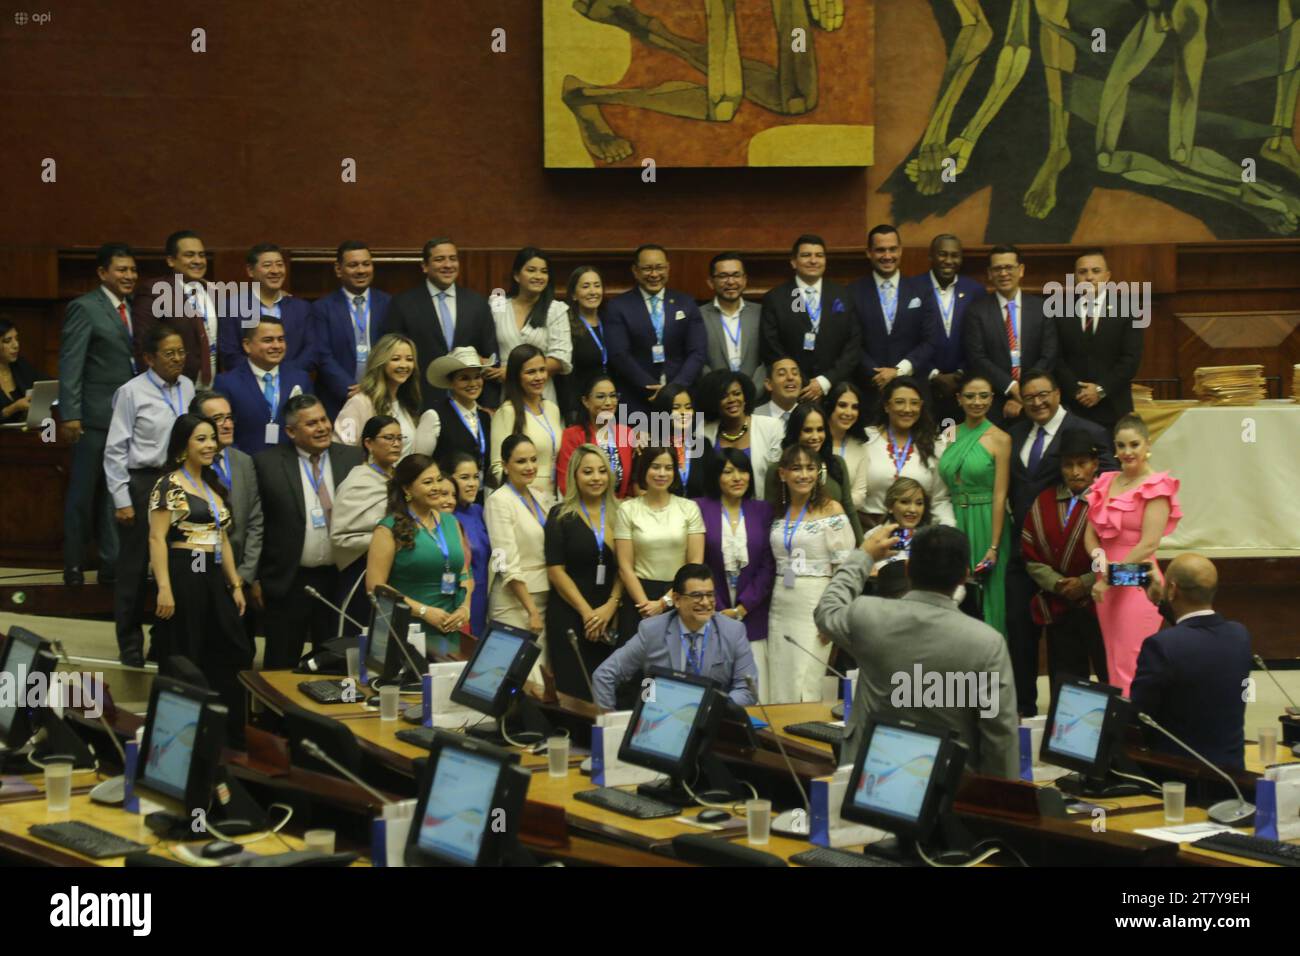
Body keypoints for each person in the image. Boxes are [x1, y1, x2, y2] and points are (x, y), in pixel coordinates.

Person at [814, 524, 1020, 779]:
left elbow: (826, 611)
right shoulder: (988, 643)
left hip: (870, 781)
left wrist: (864, 555)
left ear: (908, 569)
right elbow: (998, 733)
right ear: (964, 576)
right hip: (949, 790)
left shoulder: (867, 616)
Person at [1006, 367, 1116, 715]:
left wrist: (1086, 580)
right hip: (1029, 551)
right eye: (1029, 397)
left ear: (1058, 393)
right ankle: (1025, 711)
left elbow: (1111, 495)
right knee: (1022, 636)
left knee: (1097, 656)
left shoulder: (1089, 431)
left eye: (1044, 394)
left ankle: (1111, 725)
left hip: (1087, 571)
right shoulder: (1016, 432)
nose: (1037, 402)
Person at [147, 414, 249, 730]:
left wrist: (235, 583)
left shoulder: (213, 486)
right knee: (186, 648)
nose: (209, 445)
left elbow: (224, 539)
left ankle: (223, 728)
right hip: (186, 568)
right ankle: (178, 727)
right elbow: (156, 537)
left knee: (231, 648)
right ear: (183, 445)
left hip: (212, 572)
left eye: (211, 438)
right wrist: (164, 587)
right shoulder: (169, 484)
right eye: (200, 439)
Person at [104, 325, 196, 666]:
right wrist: (121, 499)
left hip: (181, 480)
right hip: (143, 482)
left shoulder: (188, 387)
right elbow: (115, 449)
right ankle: (129, 642)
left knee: (173, 563)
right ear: (149, 358)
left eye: (181, 352)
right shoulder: (131, 392)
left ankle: (164, 640)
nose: (178, 360)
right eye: (170, 354)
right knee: (133, 567)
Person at [253, 395, 364, 669]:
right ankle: (275, 713)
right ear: (291, 431)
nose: (322, 428)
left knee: (336, 663)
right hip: (288, 581)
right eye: (312, 423)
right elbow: (255, 525)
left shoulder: (352, 458)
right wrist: (254, 577)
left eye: (324, 419)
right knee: (281, 664)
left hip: (338, 579)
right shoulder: (266, 464)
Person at [59, 242, 138, 587]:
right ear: (102, 272)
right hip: (91, 419)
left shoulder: (132, 309)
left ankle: (110, 564)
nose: (129, 276)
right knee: (82, 495)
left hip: (124, 420)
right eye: (121, 270)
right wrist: (70, 414)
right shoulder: (84, 307)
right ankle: (74, 565)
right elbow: (71, 363)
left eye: (133, 270)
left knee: (114, 494)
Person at [1085, 414, 1182, 696]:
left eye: (1134, 445)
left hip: (1139, 579)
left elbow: (1148, 545)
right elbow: (1090, 536)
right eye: (1121, 445)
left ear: (1147, 445)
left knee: (1132, 661)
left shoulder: (1157, 486)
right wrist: (1101, 564)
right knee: (1113, 660)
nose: (1127, 452)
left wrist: (1109, 577)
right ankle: (1122, 730)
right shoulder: (1105, 481)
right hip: (1107, 580)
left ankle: (1136, 730)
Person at [1130, 554, 1251, 770]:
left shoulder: (1159, 646)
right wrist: (1162, 600)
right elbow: (1194, 636)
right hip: (1231, 772)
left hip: (1175, 775)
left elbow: (1139, 719)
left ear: (1173, 589)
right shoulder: (1240, 635)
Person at [592, 563, 757, 711]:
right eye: (697, 596)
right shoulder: (652, 631)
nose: (706, 603)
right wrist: (608, 723)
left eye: (710, 595)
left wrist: (712, 709)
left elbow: (747, 690)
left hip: (711, 724)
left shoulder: (733, 631)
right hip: (661, 720)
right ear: (677, 600)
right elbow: (604, 675)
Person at [766, 443, 858, 704]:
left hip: (816, 601)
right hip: (781, 600)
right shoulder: (777, 510)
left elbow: (846, 569)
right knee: (781, 675)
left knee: (807, 677)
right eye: (796, 468)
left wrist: (834, 615)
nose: (804, 475)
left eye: (810, 468)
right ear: (783, 474)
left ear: (819, 473)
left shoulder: (832, 509)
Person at [1020, 429, 1108, 696]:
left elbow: (1115, 551)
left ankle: (1116, 729)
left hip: (1099, 601)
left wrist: (1084, 583)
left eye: (1082, 464)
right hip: (1058, 602)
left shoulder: (1107, 501)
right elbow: (1030, 554)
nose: (1075, 471)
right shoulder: (1044, 501)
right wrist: (1058, 584)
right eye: (1068, 465)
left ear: (1095, 465)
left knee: (1108, 670)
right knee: (1066, 677)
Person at [367, 454, 472, 658]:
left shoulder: (450, 522)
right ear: (407, 489)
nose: (437, 487)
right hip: (406, 630)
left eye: (438, 480)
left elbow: (464, 574)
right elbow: (375, 587)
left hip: (448, 628)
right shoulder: (388, 529)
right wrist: (424, 611)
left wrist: (465, 608)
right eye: (427, 482)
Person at [545, 445, 624, 702]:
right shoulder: (559, 515)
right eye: (588, 472)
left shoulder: (621, 513)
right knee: (574, 695)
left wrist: (609, 608)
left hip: (610, 617)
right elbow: (556, 571)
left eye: (602, 471)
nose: (596, 478)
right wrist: (588, 614)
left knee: (608, 693)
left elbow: (626, 567)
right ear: (575, 476)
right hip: (570, 615)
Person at [384, 238, 499, 410]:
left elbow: (491, 358)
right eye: (440, 259)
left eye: (453, 259)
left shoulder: (477, 303)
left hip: (469, 405)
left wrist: (490, 405)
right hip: (417, 402)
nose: (448, 265)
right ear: (424, 266)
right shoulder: (402, 304)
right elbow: (391, 357)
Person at [938, 372, 1012, 636]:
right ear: (959, 399)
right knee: (953, 591)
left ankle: (991, 664)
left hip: (987, 518)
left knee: (989, 595)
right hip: (953, 517)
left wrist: (993, 545)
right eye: (970, 396)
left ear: (992, 399)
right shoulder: (948, 433)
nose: (977, 402)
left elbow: (1000, 495)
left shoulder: (1001, 438)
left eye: (983, 396)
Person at [697, 449, 775, 698]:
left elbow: (767, 564)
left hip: (752, 613)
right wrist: (718, 609)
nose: (737, 477)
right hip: (710, 610)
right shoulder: (699, 507)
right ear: (716, 477)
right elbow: (700, 562)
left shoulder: (762, 510)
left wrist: (742, 608)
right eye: (728, 472)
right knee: (713, 689)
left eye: (742, 471)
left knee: (753, 690)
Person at [190, 390, 264, 646]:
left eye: (230, 417)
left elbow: (255, 522)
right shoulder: (187, 469)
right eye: (218, 418)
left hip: (240, 579)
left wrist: (243, 575)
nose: (228, 424)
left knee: (241, 653)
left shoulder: (244, 462)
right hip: (201, 579)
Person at [614, 445, 705, 645]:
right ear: (644, 469)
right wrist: (646, 606)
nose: (662, 473)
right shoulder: (627, 509)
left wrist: (665, 602)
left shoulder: (689, 508)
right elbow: (625, 567)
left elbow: (695, 563)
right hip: (638, 597)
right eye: (655, 467)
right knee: (634, 669)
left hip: (679, 595)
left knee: (674, 669)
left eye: (668, 467)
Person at [484, 435, 554, 689]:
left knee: (544, 684)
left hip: (545, 597)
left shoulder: (539, 495)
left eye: (534, 460)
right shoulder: (498, 501)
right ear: (505, 465)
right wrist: (531, 611)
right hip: (515, 603)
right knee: (522, 682)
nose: (530, 467)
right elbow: (506, 561)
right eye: (521, 461)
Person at [604, 244, 707, 415]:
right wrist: (652, 389)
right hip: (636, 400)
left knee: (681, 442)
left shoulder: (686, 303)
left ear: (668, 268)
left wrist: (675, 390)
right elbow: (619, 355)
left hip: (682, 401)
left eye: (659, 268)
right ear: (635, 271)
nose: (654, 274)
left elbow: (698, 352)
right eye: (647, 268)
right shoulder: (618, 306)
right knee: (640, 442)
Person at [963, 244, 1058, 427]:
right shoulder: (976, 311)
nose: (1004, 273)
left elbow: (1049, 354)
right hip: (994, 401)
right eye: (998, 268)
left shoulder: (1042, 308)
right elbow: (977, 358)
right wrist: (1011, 388)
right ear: (990, 273)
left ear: (1021, 270)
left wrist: (1025, 392)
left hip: (1037, 401)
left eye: (1009, 267)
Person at [760, 233, 860, 402]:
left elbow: (853, 345)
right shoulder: (776, 298)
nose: (813, 261)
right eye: (806, 255)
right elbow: (771, 346)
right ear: (793, 261)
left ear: (825, 261)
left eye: (819, 255)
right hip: (793, 392)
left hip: (835, 391)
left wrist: (824, 382)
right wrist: (802, 382)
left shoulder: (843, 295)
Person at [848, 224, 937, 410]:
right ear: (869, 253)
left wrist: (898, 371)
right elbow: (851, 342)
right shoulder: (853, 292)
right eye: (880, 250)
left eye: (892, 249)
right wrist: (878, 375)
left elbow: (930, 341)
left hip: (913, 393)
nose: (887, 256)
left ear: (901, 250)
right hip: (870, 392)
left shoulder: (922, 290)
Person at [1055, 250, 1145, 431]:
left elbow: (1130, 360)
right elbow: (1055, 357)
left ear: (1107, 276)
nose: (1089, 277)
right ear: (1075, 277)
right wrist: (1076, 391)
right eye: (1083, 272)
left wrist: (1100, 389)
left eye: (1096, 271)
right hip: (1072, 407)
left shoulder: (1129, 309)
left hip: (1114, 407)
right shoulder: (1059, 310)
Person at [909, 234, 986, 427]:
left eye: (955, 255)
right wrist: (933, 374)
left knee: (951, 438)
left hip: (961, 387)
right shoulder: (911, 288)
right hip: (922, 384)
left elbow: (980, 339)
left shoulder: (975, 291)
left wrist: (959, 374)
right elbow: (906, 337)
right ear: (931, 256)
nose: (949, 261)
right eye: (943, 254)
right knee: (926, 440)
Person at [311, 241, 393, 419]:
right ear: (338, 269)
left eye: (366, 264)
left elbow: (392, 349)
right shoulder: (322, 308)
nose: (361, 270)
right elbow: (322, 355)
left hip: (381, 395)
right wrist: (350, 389)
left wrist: (375, 386)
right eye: (353, 265)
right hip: (337, 398)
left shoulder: (389, 304)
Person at [212, 314, 314, 456]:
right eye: (268, 340)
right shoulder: (227, 383)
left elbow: (309, 424)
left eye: (281, 339)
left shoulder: (300, 379)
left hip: (291, 465)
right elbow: (221, 431)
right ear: (247, 345)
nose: (277, 346)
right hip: (247, 465)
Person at [763, 403, 863, 545]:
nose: (815, 436)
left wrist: (864, 551)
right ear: (795, 433)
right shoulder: (777, 470)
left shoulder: (837, 464)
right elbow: (770, 516)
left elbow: (849, 509)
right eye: (808, 430)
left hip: (835, 544)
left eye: (820, 430)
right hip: (790, 546)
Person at [861, 377, 954, 527]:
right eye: (899, 402)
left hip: (917, 536)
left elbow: (939, 499)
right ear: (886, 406)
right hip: (870, 532)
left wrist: (947, 529)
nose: (907, 409)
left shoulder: (934, 445)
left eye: (914, 403)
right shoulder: (866, 440)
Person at [489, 247, 573, 408]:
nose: (538, 276)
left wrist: (513, 372)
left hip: (541, 395)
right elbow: (486, 342)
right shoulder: (498, 304)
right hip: (503, 394)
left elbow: (560, 359)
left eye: (544, 271)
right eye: (531, 270)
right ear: (516, 275)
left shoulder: (556, 309)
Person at [132, 230, 218, 386]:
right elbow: (143, 344)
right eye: (189, 255)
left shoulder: (214, 292)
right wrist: (152, 389)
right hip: (174, 387)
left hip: (215, 386)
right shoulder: (156, 291)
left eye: (201, 255)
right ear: (171, 260)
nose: (198, 260)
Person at [333, 333, 439, 455]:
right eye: (396, 359)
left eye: (409, 359)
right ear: (380, 362)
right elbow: (342, 451)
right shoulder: (359, 402)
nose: (404, 365)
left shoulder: (406, 404)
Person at [218, 243, 316, 375]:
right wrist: (262, 375)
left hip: (293, 384)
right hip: (248, 385)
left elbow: (311, 351)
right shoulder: (232, 307)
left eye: (280, 264)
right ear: (250, 270)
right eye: (267, 265)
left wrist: (286, 375)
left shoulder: (302, 308)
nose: (275, 271)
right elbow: (229, 355)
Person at [330, 415, 404, 572]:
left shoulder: (403, 479)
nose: (396, 444)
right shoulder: (358, 481)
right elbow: (341, 537)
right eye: (389, 438)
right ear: (369, 443)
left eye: (399, 438)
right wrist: (388, 540)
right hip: (365, 566)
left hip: (402, 567)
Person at [490, 344, 565, 498]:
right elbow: (497, 467)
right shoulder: (507, 412)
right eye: (531, 372)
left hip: (555, 497)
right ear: (516, 376)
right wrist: (525, 495)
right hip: (524, 499)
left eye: (542, 370)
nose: (539, 377)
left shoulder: (552, 409)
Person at [696, 369, 783, 496]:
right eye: (724, 396)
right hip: (717, 509)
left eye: (737, 393)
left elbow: (777, 476)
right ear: (714, 402)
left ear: (745, 397)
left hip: (761, 507)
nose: (732, 399)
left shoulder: (771, 427)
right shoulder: (703, 432)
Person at [556, 374, 635, 499]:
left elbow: (632, 482)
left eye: (613, 396)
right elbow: (566, 484)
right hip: (586, 511)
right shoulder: (572, 436)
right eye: (600, 397)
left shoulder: (626, 433)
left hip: (620, 509)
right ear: (586, 401)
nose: (608, 402)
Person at [428, 347, 493, 491]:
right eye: (464, 378)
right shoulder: (435, 416)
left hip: (480, 496)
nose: (473, 383)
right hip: (446, 499)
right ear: (451, 382)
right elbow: (421, 463)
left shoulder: (484, 417)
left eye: (477, 376)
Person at [700, 252, 765, 390]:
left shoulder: (762, 313)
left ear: (745, 279)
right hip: (714, 396)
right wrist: (719, 390)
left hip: (756, 397)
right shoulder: (698, 316)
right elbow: (698, 361)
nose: (730, 282)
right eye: (723, 276)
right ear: (711, 282)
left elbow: (767, 360)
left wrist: (752, 392)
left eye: (736, 275)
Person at [445, 451, 490, 636]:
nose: (472, 484)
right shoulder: (445, 517)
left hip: (485, 595)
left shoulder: (479, 511)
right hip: (458, 599)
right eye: (464, 478)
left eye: (475, 477)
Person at [557, 265, 609, 421]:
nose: (593, 291)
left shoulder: (610, 320)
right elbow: (565, 376)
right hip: (580, 407)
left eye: (597, 285)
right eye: (586, 286)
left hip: (609, 403)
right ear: (574, 294)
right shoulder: (566, 325)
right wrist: (570, 411)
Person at [649, 383, 712, 499]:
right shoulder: (651, 445)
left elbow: (712, 489)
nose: (684, 412)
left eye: (688, 407)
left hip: (699, 513)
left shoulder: (703, 444)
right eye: (676, 407)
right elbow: (641, 489)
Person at [823, 381, 870, 519]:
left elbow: (860, 497)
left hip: (846, 521)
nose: (849, 412)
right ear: (830, 406)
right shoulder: (815, 441)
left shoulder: (859, 447)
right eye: (842, 405)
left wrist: (833, 507)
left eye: (854, 407)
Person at [0, 320, 46, 423]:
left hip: (22, 435)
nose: (16, 345)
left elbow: (48, 383)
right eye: (8, 340)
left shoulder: (20, 365)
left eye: (17, 339)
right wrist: (12, 409)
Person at [753, 355, 803, 425]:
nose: (790, 377)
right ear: (769, 384)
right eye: (782, 374)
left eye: (795, 373)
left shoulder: (811, 416)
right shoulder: (754, 417)